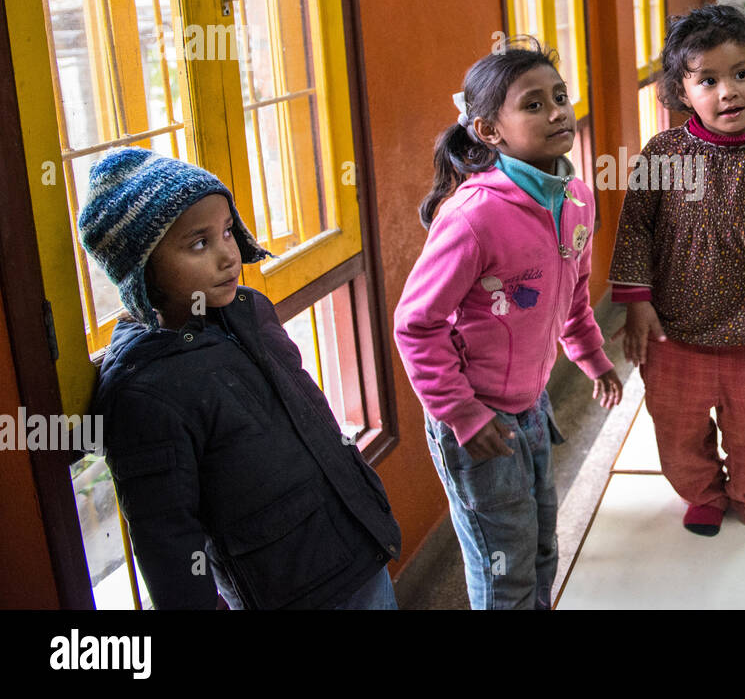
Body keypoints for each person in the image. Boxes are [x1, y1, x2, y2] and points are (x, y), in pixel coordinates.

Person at [80, 147, 401, 609]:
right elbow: (166, 536)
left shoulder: (250, 310)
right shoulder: (144, 391)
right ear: (142, 271)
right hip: (289, 591)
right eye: (198, 244)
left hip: (357, 544)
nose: (229, 256)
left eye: (227, 232)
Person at [393, 37, 622, 610]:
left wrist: (593, 358)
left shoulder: (575, 198)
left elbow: (570, 297)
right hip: (475, 419)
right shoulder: (475, 216)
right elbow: (415, 324)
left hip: (531, 405)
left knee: (542, 545)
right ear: (489, 131)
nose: (557, 111)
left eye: (560, 96)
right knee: (505, 566)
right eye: (534, 104)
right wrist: (464, 414)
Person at [610, 3, 745, 537]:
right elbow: (634, 230)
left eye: (741, 74)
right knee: (678, 431)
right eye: (708, 80)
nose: (727, 91)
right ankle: (702, 492)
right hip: (672, 334)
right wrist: (637, 305)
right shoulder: (662, 153)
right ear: (683, 93)